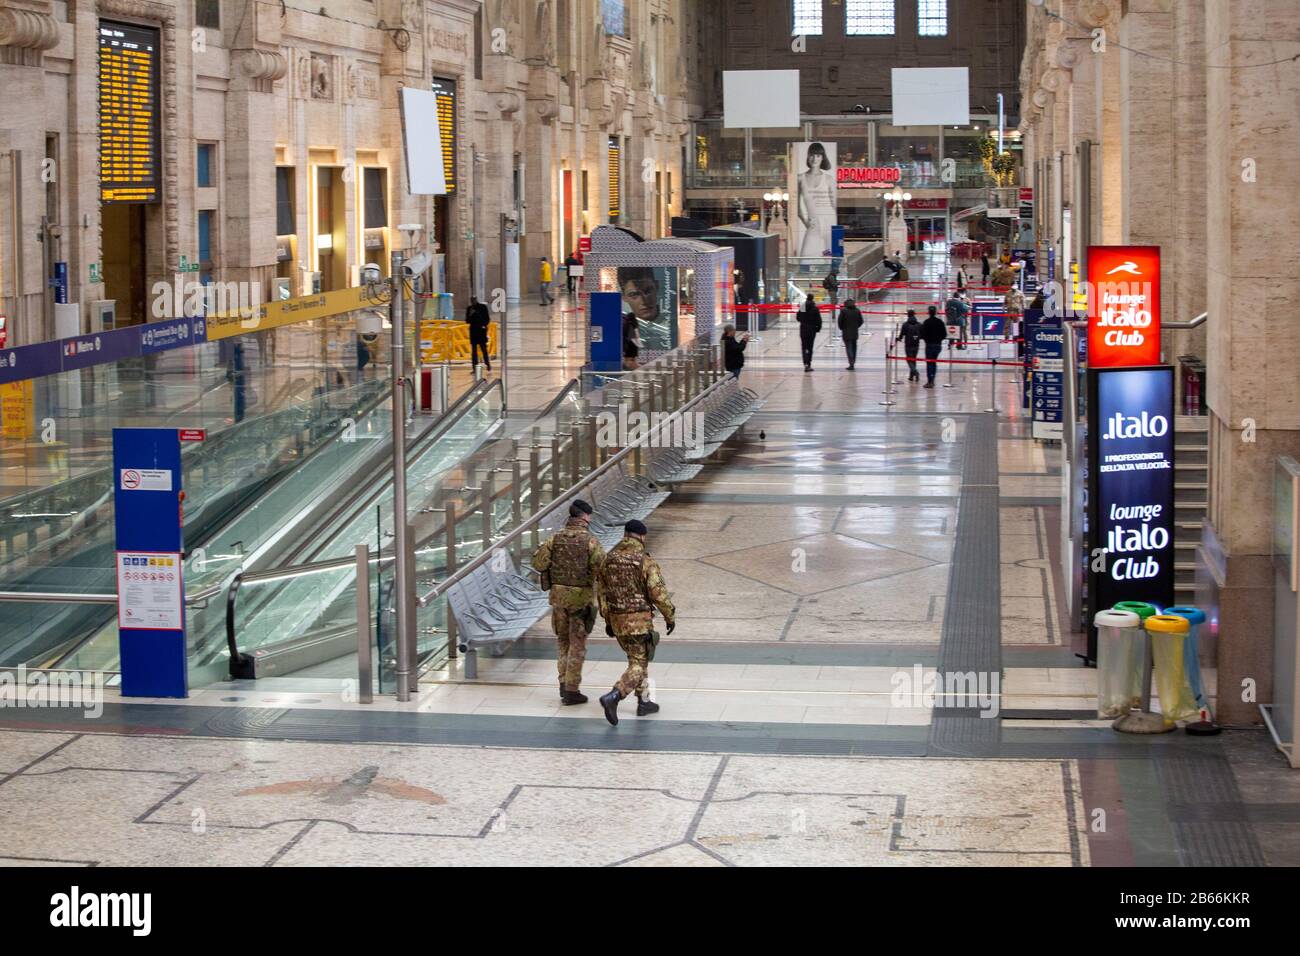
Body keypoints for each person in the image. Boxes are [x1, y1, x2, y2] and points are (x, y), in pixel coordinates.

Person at [597, 519, 676, 725]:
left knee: (638, 659)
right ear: (642, 536)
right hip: (639, 622)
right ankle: (615, 695)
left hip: (617, 621)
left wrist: (607, 619)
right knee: (639, 663)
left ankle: (644, 701)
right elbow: (658, 593)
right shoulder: (645, 561)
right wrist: (670, 616)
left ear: (625, 535)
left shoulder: (608, 559)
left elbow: (602, 593)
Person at [531, 500, 606, 705]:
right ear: (584, 517)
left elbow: (538, 563)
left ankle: (563, 684)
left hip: (558, 599)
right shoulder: (590, 541)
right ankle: (572, 690)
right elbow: (602, 567)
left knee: (563, 641)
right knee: (577, 645)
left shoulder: (554, 539)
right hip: (580, 601)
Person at [796, 142, 836, 258]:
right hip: (813, 226)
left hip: (830, 225)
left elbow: (834, 205)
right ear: (808, 156)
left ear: (822, 158)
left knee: (829, 259)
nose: (814, 159)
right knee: (805, 261)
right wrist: (806, 222)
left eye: (818, 156)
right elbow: (798, 208)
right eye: (812, 155)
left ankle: (827, 266)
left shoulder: (829, 179)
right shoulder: (800, 178)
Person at [920, 305, 948, 388]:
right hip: (937, 345)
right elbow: (944, 334)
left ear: (928, 312)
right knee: (934, 362)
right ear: (936, 312)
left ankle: (930, 381)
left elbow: (922, 334)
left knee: (929, 363)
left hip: (929, 345)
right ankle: (932, 379)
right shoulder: (940, 322)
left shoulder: (926, 322)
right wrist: (939, 340)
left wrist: (927, 340)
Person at [465, 295, 492, 372]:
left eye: (474, 300)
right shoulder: (469, 309)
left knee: (484, 349)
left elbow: (487, 319)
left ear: (476, 300)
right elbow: (467, 321)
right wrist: (470, 314)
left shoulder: (482, 307)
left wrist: (484, 325)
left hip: (481, 331)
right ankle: (474, 367)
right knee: (474, 351)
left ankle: (488, 364)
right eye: (472, 300)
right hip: (473, 332)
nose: (473, 301)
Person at [797, 293, 822, 372]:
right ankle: (809, 363)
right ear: (813, 298)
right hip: (812, 330)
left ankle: (805, 364)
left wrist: (803, 321)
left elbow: (798, 318)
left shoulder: (803, 307)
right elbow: (819, 320)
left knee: (804, 347)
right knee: (810, 347)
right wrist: (818, 328)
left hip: (803, 329)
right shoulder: (815, 308)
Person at [837, 298, 864, 370]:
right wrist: (856, 326)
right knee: (854, 347)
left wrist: (842, 328)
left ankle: (851, 363)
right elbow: (861, 321)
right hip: (855, 332)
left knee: (848, 347)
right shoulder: (857, 310)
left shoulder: (843, 311)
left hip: (846, 332)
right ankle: (853, 361)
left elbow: (840, 321)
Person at [897, 309, 923, 382]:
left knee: (909, 359)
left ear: (908, 315)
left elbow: (902, 334)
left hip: (908, 344)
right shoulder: (919, 324)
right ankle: (911, 376)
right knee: (913, 359)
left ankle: (915, 372)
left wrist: (899, 338)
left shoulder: (905, 324)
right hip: (916, 344)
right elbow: (922, 334)